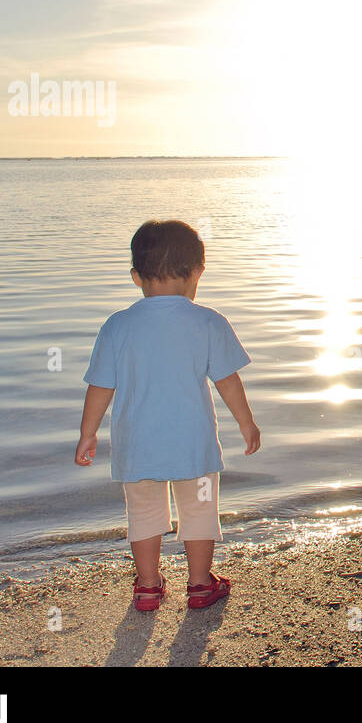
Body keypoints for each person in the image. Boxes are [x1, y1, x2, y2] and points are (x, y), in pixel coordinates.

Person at [75, 219, 261, 612]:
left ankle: (147, 586)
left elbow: (100, 387)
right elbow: (227, 381)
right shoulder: (208, 321)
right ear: (197, 272)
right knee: (199, 510)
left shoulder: (117, 325)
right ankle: (198, 584)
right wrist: (246, 423)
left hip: (136, 443)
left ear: (136, 276)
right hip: (192, 443)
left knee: (142, 512)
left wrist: (87, 434)